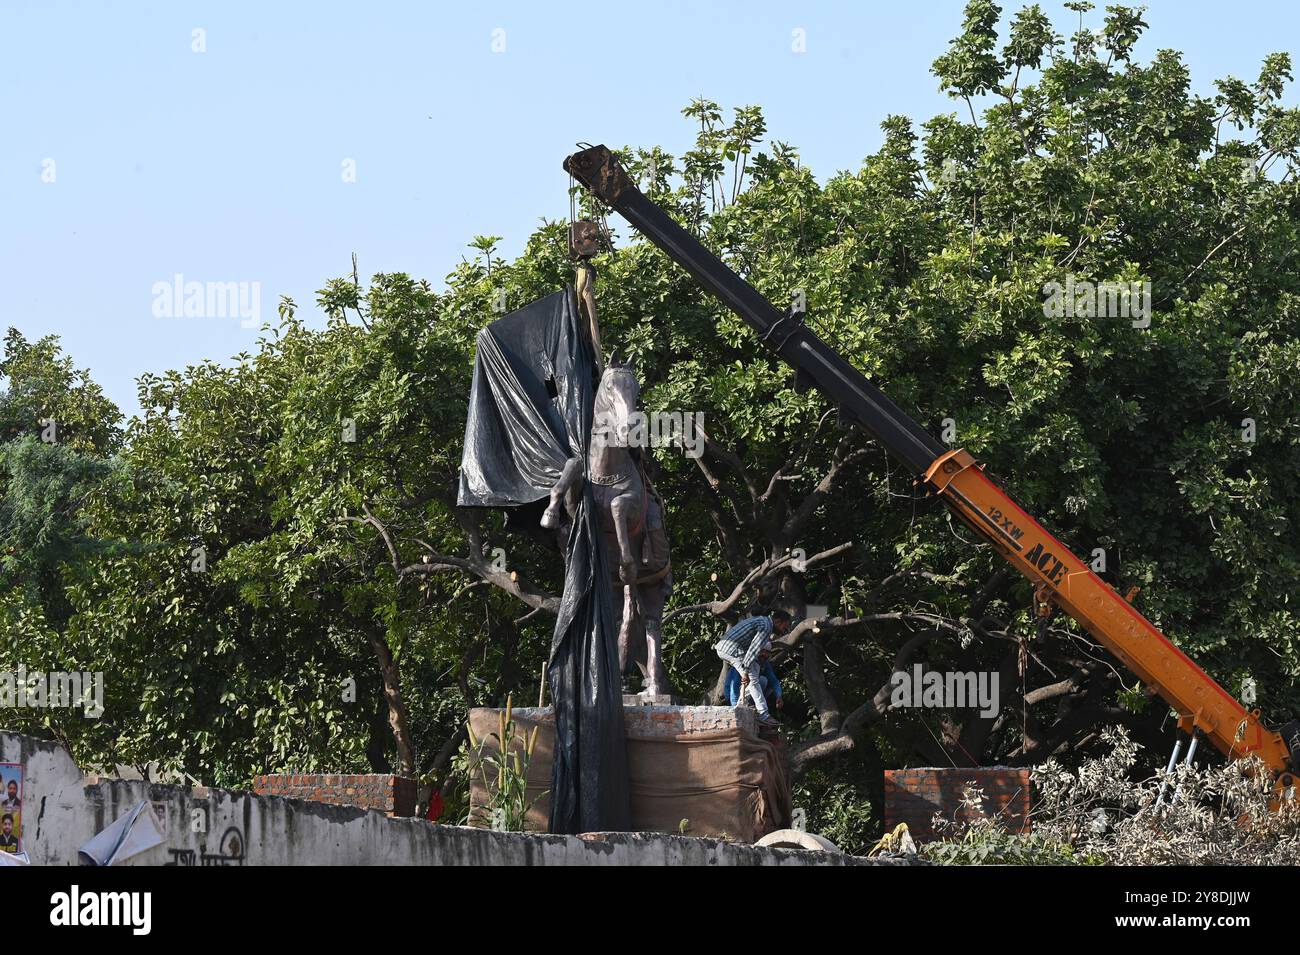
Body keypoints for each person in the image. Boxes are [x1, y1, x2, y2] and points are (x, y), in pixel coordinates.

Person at [715, 609, 792, 724]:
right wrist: (745, 671)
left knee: (756, 675)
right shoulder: (766, 627)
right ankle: (763, 715)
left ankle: (751, 710)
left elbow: (773, 680)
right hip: (731, 649)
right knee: (753, 679)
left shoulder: (762, 621)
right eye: (784, 628)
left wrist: (779, 695)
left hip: (728, 648)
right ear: (777, 621)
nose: (783, 632)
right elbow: (753, 649)